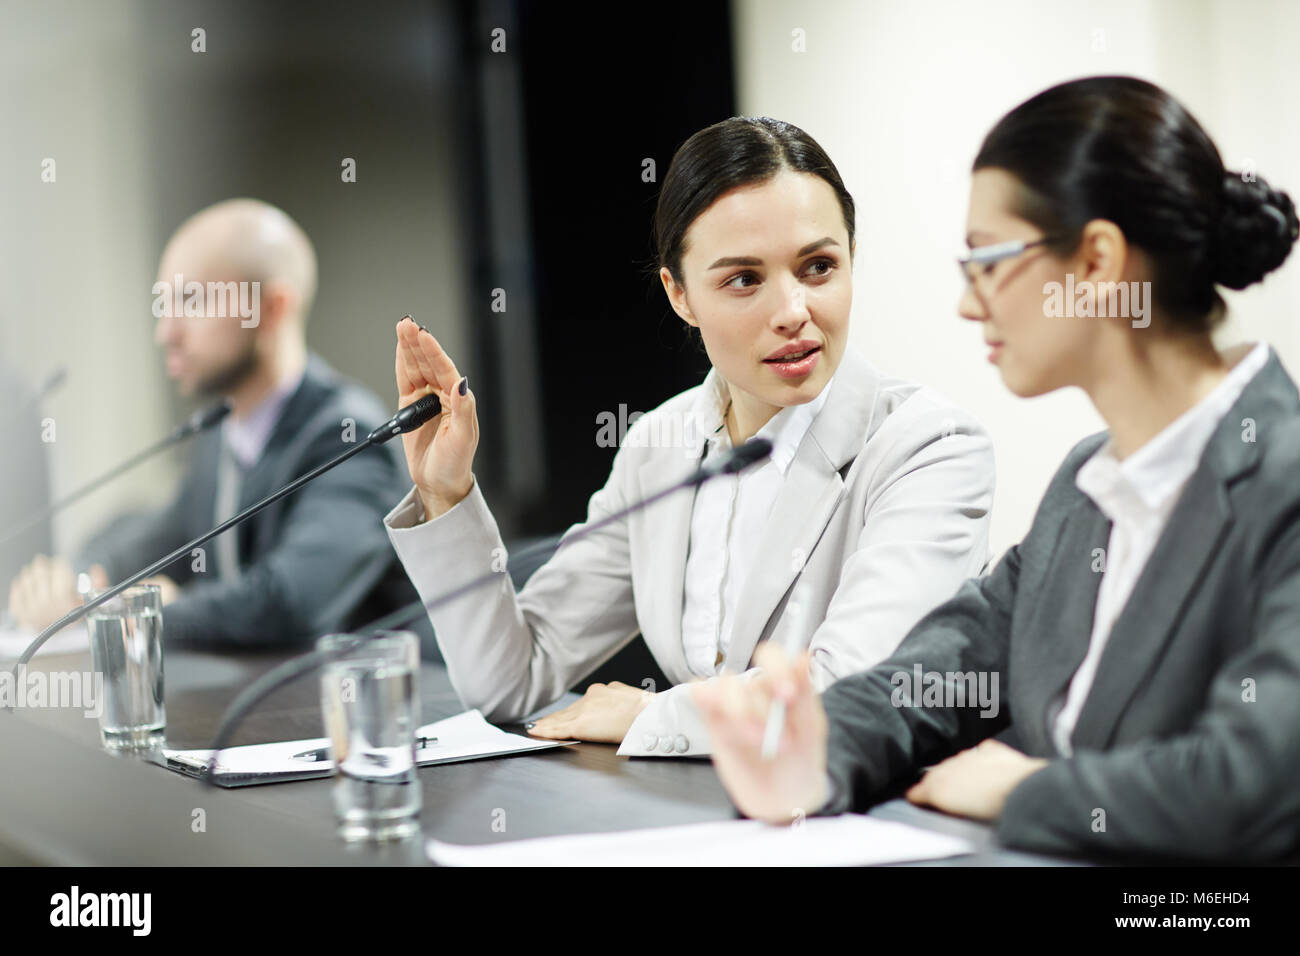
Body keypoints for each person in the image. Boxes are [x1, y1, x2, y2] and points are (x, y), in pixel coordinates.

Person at [695, 76, 1300, 861]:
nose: (967, 304)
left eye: (987, 261)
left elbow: (1250, 786)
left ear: (1097, 261)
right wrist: (809, 753)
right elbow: (937, 676)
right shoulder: (1090, 483)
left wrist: (1019, 791)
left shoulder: (1281, 478)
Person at [384, 117, 995, 756]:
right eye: (743, 279)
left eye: (818, 266)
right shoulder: (659, 446)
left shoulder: (930, 448)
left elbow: (853, 692)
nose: (793, 313)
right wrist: (446, 492)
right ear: (680, 296)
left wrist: (655, 715)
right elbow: (510, 681)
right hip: (705, 821)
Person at [7, 198, 419, 647]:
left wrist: (145, 610)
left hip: (359, 708)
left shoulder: (350, 438)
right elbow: (158, 537)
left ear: (273, 308)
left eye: (191, 300)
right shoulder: (224, 431)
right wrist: (79, 578)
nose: (166, 333)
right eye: (163, 305)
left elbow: (289, 604)